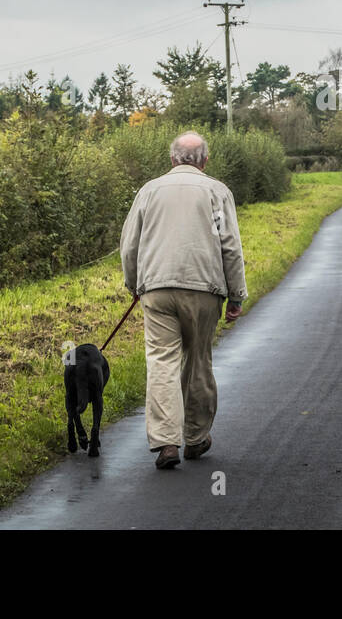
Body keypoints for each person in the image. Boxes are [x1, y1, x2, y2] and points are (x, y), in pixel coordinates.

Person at [119, 131, 247, 469]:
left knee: (162, 361)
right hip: (205, 289)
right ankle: (195, 438)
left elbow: (130, 245)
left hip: (157, 290)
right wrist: (237, 295)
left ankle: (165, 443)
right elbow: (229, 245)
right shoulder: (216, 192)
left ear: (173, 160)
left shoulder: (149, 191)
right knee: (198, 361)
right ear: (205, 161)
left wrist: (134, 284)